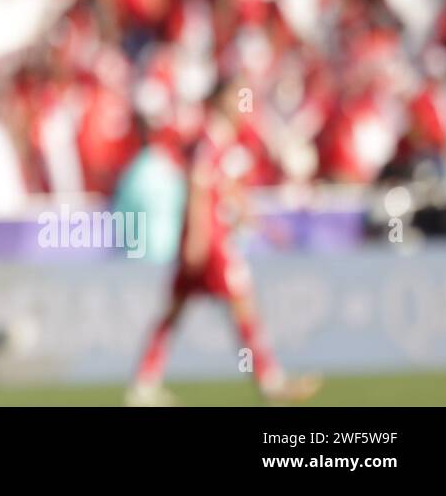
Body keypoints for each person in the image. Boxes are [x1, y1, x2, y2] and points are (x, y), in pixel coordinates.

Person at [127, 78, 321, 406]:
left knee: (174, 312)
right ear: (220, 100)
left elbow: (227, 190)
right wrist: (199, 238)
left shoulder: (227, 141)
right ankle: (270, 383)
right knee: (244, 310)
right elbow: (198, 186)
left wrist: (266, 228)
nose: (244, 104)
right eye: (237, 97)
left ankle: (143, 386)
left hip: (207, 238)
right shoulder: (211, 139)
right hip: (213, 243)